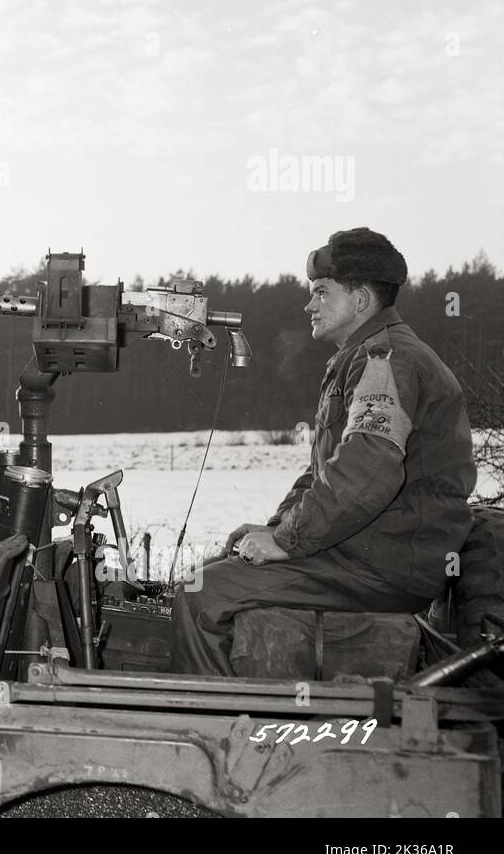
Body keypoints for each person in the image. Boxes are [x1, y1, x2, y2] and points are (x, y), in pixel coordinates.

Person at [171, 227, 476, 676]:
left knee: (201, 594)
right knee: (221, 567)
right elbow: (325, 472)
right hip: (371, 550)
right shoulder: (366, 356)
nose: (308, 305)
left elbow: (368, 469)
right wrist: (278, 528)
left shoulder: (384, 359)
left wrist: (287, 541)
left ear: (360, 300)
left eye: (320, 292)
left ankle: (210, 733)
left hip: (383, 562)